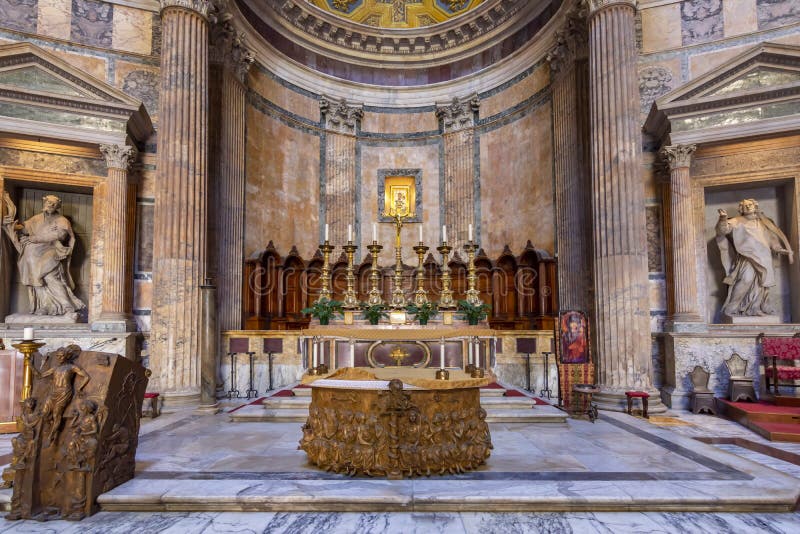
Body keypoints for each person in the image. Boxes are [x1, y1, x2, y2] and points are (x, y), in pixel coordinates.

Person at [1, 194, 85, 316]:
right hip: (33, 254)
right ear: (44, 203)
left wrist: (36, 238)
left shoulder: (62, 220)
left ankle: (67, 305)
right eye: (48, 202)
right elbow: (24, 229)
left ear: (57, 206)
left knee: (50, 277)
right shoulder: (37, 218)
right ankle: (45, 306)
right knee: (35, 278)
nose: (50, 205)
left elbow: (60, 235)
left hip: (52, 250)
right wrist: (10, 224)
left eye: (53, 203)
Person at [716, 199, 794, 317]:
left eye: (750, 205)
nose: (748, 207)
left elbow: (772, 239)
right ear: (741, 209)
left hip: (764, 257)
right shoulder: (736, 221)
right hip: (747, 256)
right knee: (745, 280)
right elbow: (722, 230)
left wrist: (778, 248)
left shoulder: (764, 223)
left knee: (761, 284)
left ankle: (754, 308)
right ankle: (731, 308)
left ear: (755, 206)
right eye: (745, 206)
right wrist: (722, 219)